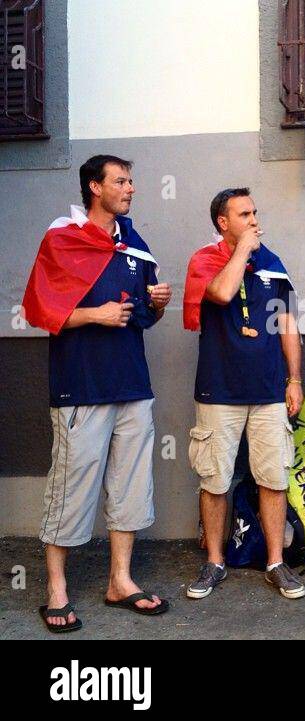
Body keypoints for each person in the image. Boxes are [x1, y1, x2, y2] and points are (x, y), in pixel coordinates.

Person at [22, 155, 172, 632]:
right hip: (81, 387)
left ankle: (120, 581)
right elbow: (39, 311)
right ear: (94, 187)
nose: (130, 189)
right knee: (71, 487)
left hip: (132, 384)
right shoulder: (61, 239)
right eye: (121, 182)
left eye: (131, 181)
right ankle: (57, 591)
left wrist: (156, 304)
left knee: (129, 487)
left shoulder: (134, 243)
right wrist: (93, 315)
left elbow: (143, 317)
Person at [183, 188, 305, 600]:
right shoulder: (205, 259)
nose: (254, 220)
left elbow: (288, 324)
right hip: (220, 390)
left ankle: (275, 562)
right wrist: (241, 252)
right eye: (244, 214)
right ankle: (215, 562)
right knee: (215, 478)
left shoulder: (273, 263)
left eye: (255, 212)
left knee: (273, 476)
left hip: (269, 390)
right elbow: (219, 294)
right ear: (223, 222)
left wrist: (293, 380)